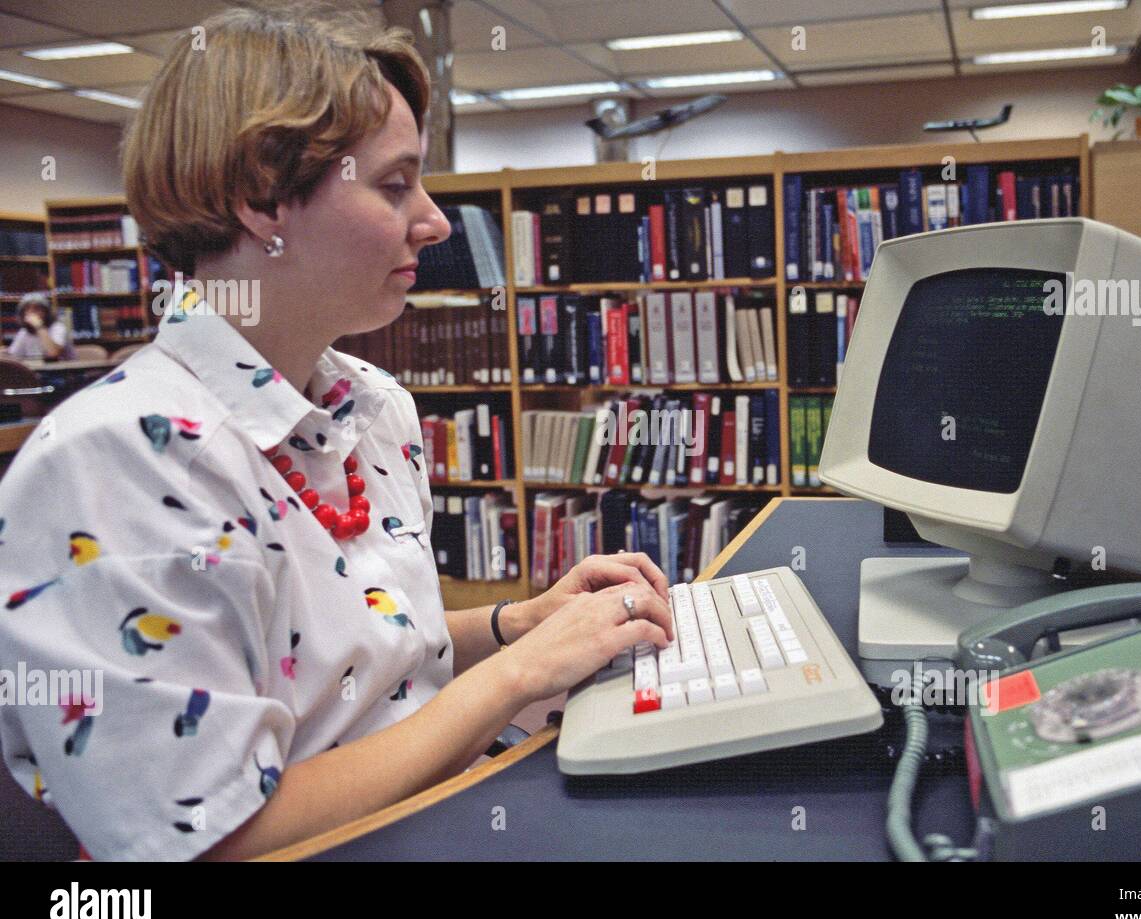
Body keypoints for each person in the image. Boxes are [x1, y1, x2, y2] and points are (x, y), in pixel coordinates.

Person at [0, 3, 673, 862]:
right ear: (260, 200)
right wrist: (518, 675)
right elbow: (216, 835)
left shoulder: (373, 405)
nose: (433, 221)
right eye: (394, 186)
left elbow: (365, 655)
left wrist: (515, 623)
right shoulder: (110, 465)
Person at [6, 292, 75, 361]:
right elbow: (13, 358)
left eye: (36, 309)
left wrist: (39, 326)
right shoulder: (24, 332)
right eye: (27, 309)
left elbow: (53, 353)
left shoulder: (58, 328)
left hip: (61, 370)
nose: (31, 312)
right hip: (35, 370)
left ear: (46, 312)